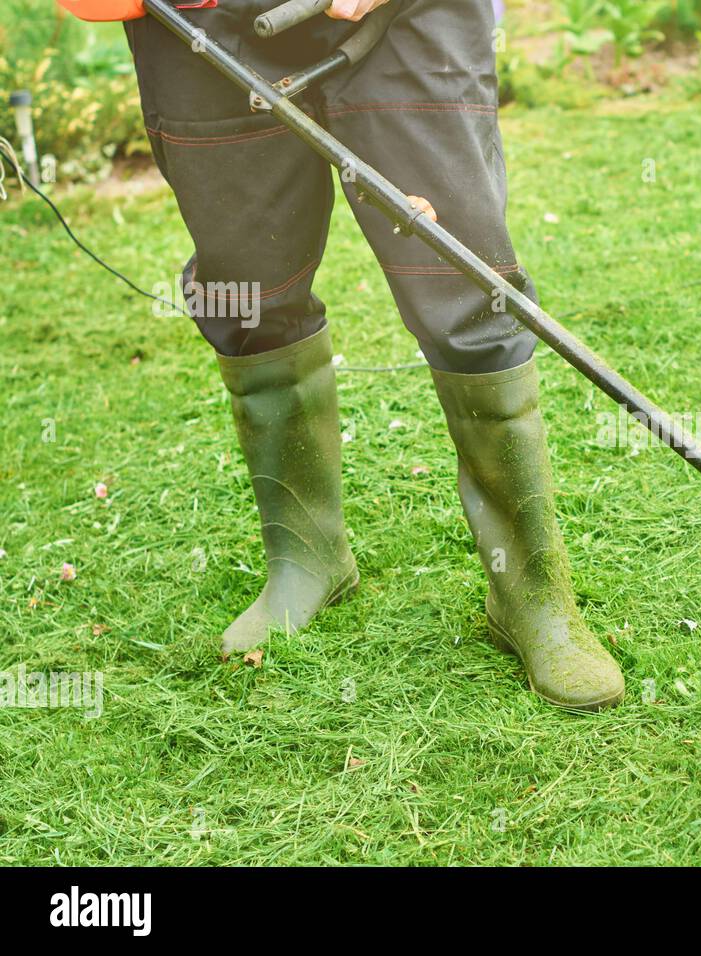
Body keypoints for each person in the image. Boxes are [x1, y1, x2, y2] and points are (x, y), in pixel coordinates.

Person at [56, 0, 625, 710]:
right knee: (249, 293)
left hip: (412, 14)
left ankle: (532, 591)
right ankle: (307, 556)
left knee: (465, 282)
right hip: (195, 22)